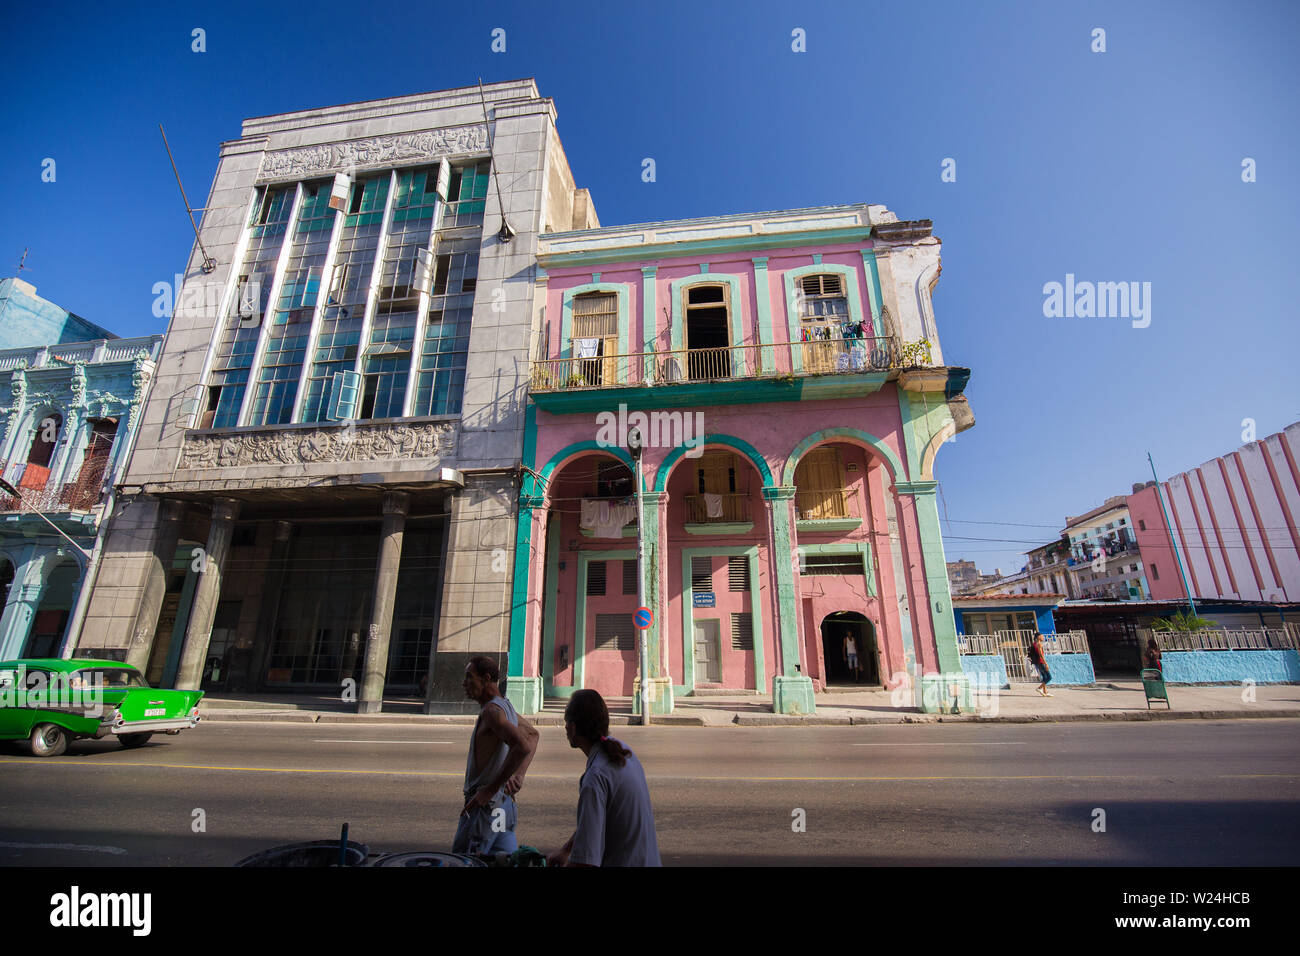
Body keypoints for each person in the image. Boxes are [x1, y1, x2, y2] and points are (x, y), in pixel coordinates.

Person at [547, 689, 661, 867]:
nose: (565, 727)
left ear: (574, 728)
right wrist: (566, 850)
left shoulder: (595, 778)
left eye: (566, 722)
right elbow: (593, 824)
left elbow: (586, 862)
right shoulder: (624, 752)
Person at [453, 656, 539, 856]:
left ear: (486, 678)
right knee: (501, 859)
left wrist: (490, 789)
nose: (464, 683)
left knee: (464, 858)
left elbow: (523, 745)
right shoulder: (505, 706)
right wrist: (519, 775)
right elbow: (533, 735)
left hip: (485, 808)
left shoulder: (492, 711)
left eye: (469, 677)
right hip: (503, 808)